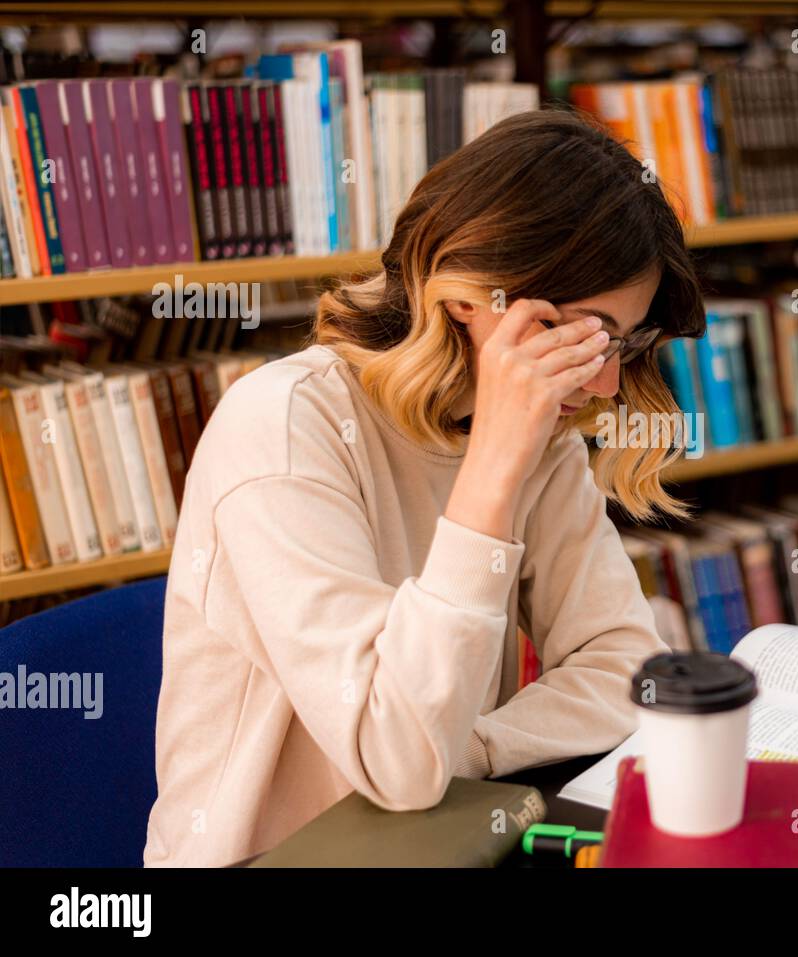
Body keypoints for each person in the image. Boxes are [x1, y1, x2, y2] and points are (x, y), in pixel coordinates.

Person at [144, 109, 705, 866]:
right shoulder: (281, 427)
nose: (605, 381)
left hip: (444, 838)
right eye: (589, 335)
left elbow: (628, 668)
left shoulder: (536, 436)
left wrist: (471, 745)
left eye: (624, 342)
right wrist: (494, 466)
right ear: (473, 297)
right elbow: (401, 759)